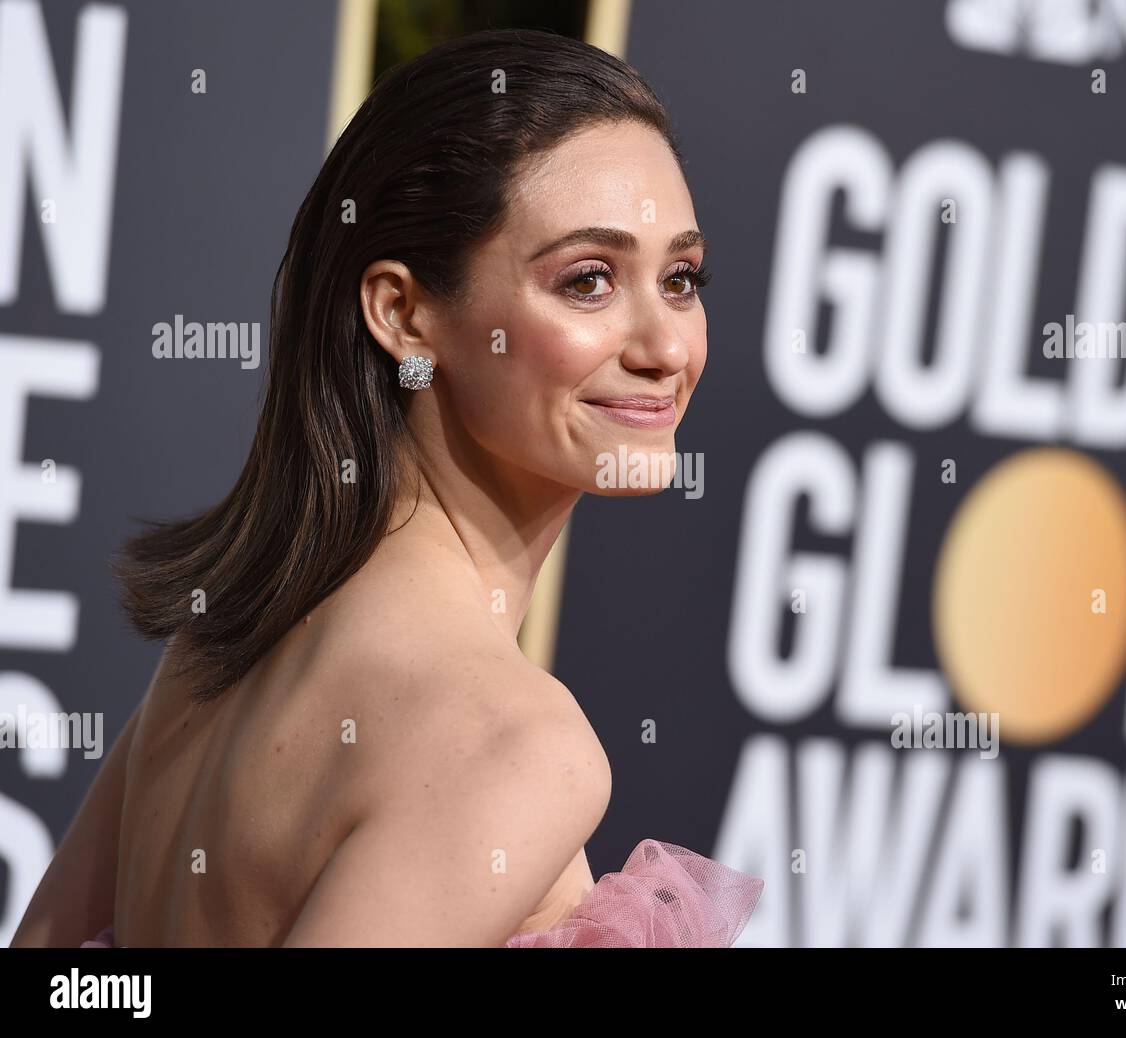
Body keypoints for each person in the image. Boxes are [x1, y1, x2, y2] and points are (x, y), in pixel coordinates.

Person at [8, 27, 762, 949]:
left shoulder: (213, 653)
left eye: (681, 279)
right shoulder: (511, 744)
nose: (666, 348)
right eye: (590, 280)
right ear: (404, 315)